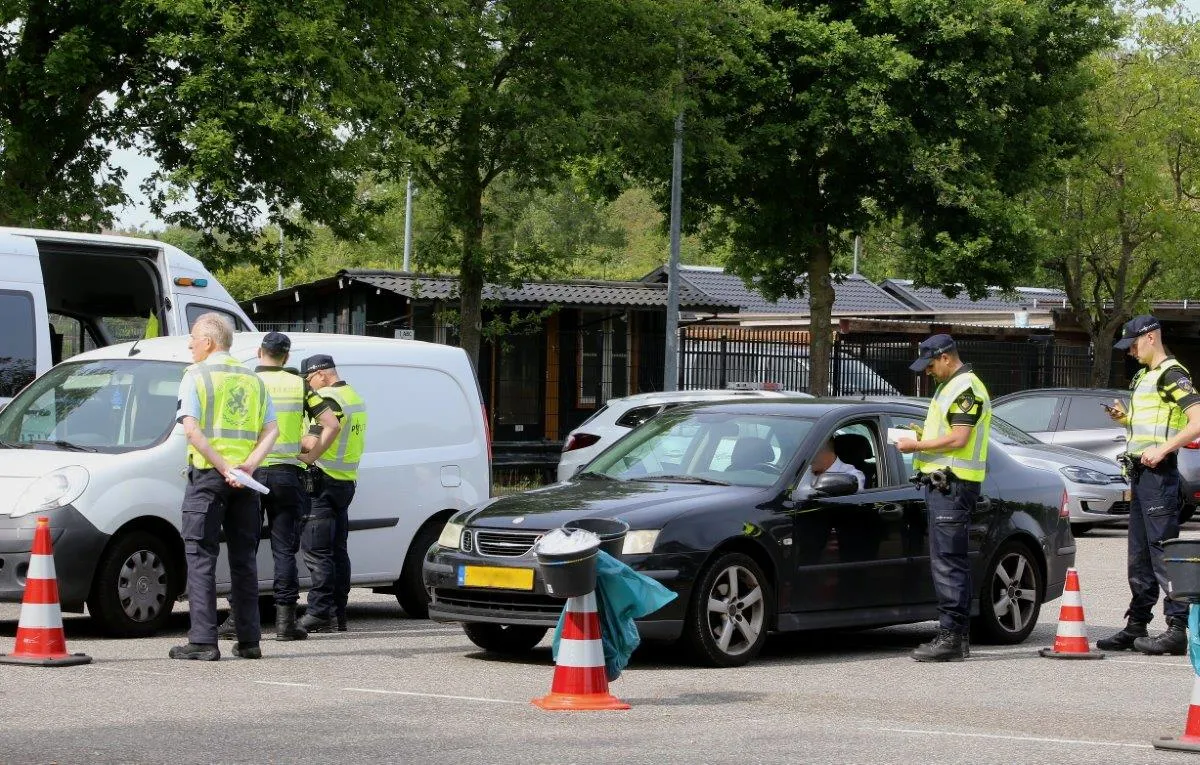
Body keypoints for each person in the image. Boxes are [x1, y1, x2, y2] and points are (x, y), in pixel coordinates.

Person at [217, 332, 341, 642]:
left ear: (260, 352)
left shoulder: (245, 381)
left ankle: (237, 618)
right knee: (284, 550)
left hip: (251, 473)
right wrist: (310, 456)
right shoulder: (298, 383)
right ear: (286, 357)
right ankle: (286, 622)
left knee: (244, 548)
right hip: (289, 475)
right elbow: (332, 424)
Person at [169, 313, 278, 661]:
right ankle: (249, 640)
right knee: (244, 558)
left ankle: (202, 640)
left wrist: (222, 466)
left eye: (193, 339)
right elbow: (272, 430)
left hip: (208, 477)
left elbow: (191, 431)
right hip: (246, 480)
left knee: (200, 555)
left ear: (209, 342)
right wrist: (248, 465)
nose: (189, 345)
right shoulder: (253, 379)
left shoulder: (195, 375)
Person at [1097, 315, 1200, 655]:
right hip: (1141, 474)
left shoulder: (1173, 373)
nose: (1130, 352)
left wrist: (1164, 449)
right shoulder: (1146, 375)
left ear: (1151, 338)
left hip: (1159, 475)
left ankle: (1177, 629)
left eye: (1133, 344)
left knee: (1162, 552)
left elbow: (1197, 420)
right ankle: (1137, 625)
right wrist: (1124, 419)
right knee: (1139, 555)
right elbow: (1151, 423)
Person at [896, 334, 992, 662]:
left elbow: (959, 437)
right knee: (949, 561)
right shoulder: (949, 386)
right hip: (944, 485)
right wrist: (926, 437)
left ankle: (951, 637)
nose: (928, 372)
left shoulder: (966, 388)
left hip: (952, 486)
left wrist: (917, 446)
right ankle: (956, 637)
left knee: (949, 563)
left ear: (947, 358)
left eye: (931, 364)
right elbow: (951, 435)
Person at [298, 354, 367, 633]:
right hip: (345, 482)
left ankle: (318, 613)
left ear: (322, 375)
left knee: (317, 552)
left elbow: (316, 437)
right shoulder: (354, 396)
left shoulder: (327, 397)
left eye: (309, 379)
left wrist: (301, 450)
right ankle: (338, 613)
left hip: (322, 481)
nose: (308, 386)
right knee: (338, 551)